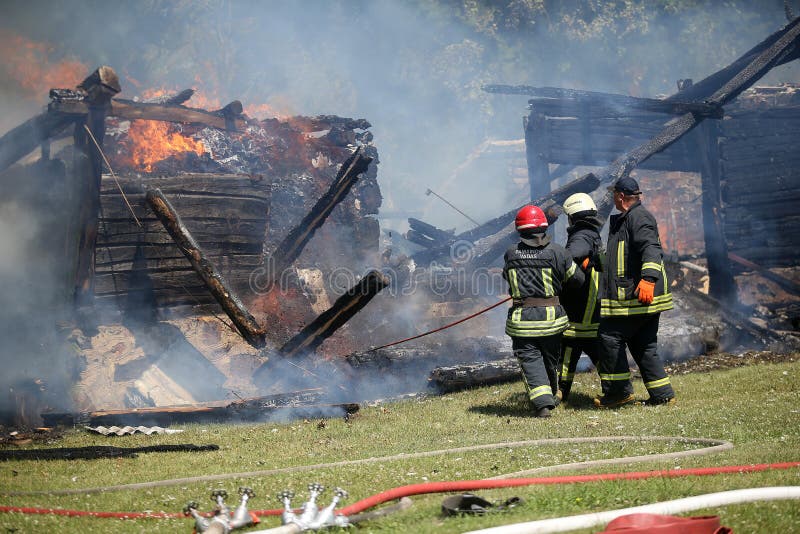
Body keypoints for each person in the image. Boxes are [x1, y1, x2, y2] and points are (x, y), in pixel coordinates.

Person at [595, 177, 676, 408]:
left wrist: (648, 279)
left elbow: (651, 247)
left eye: (614, 194)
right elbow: (622, 257)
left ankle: (618, 393)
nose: (612, 198)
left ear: (621, 196)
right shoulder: (627, 218)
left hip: (635, 295)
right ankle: (662, 395)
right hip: (637, 295)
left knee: (609, 337)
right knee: (644, 345)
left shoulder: (638, 217)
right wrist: (596, 262)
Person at [503, 205, 584, 418]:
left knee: (530, 360)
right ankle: (550, 396)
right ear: (545, 227)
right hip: (551, 320)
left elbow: (507, 277)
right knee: (550, 360)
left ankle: (542, 404)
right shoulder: (558, 251)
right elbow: (577, 280)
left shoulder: (511, 253)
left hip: (523, 320)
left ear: (519, 229)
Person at [557, 193, 604, 402]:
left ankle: (561, 391)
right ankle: (616, 387)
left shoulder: (580, 235)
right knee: (594, 346)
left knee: (570, 344)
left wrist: (554, 264)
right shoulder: (592, 233)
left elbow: (570, 256)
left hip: (580, 303)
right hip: (591, 300)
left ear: (572, 217)